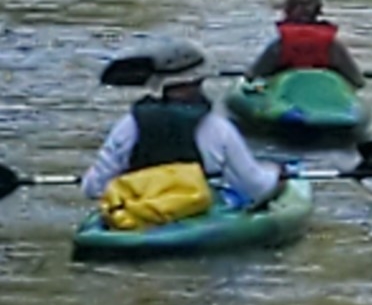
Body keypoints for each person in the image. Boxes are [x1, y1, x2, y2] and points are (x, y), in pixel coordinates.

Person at [82, 38, 286, 209]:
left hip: (142, 210)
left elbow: (94, 188)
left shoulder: (129, 125)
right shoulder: (217, 128)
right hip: (198, 213)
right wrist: (277, 174)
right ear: (198, 82)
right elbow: (255, 187)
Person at [247, 0, 365, 88]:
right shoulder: (333, 46)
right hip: (324, 99)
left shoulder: (279, 45)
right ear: (318, 12)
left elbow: (251, 76)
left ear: (287, 11)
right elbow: (358, 82)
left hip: (288, 101)